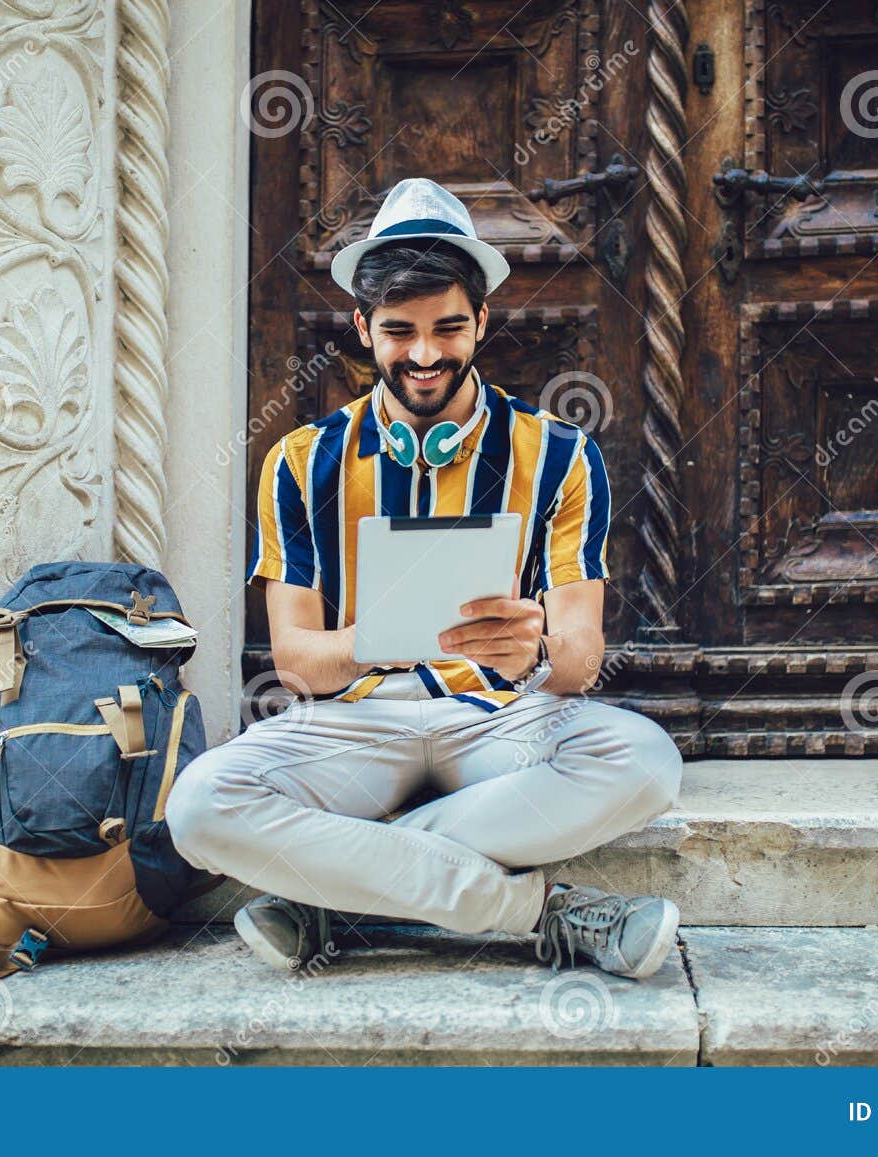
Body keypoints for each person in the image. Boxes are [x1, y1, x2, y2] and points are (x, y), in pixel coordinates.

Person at [167, 178, 685, 980]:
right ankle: (538, 911)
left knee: (648, 762)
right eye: (398, 331)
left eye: (448, 327)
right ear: (362, 327)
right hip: (353, 724)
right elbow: (297, 662)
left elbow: (582, 659)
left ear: (482, 319)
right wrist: (382, 638)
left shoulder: (560, 455)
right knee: (197, 808)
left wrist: (536, 651)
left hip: (501, 722)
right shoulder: (300, 462)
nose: (424, 354)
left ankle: (343, 901)